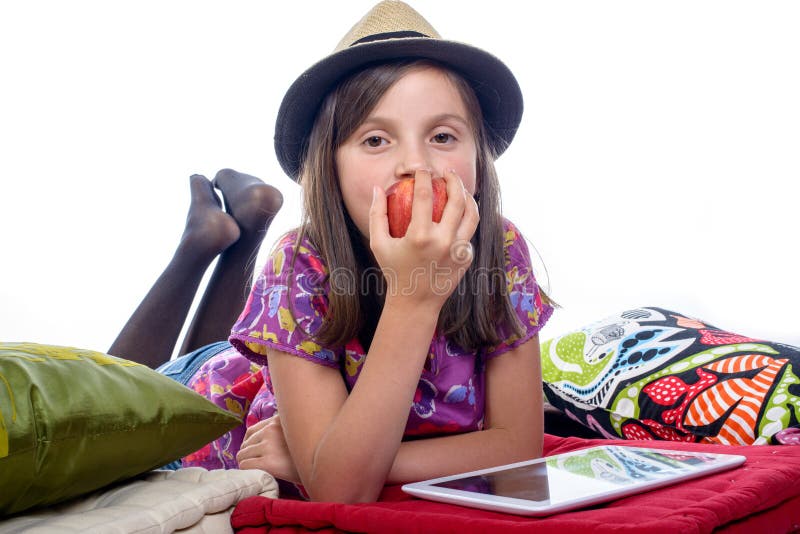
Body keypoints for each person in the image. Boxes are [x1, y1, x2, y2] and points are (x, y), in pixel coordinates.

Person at [110, 0, 555, 503]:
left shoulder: (501, 249)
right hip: (211, 399)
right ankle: (200, 245)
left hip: (271, 363)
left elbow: (518, 447)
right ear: (330, 166)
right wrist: (415, 297)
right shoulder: (298, 264)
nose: (415, 163)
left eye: (443, 135)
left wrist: (314, 460)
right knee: (113, 401)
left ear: (479, 155)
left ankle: (231, 233)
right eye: (376, 139)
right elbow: (343, 490)